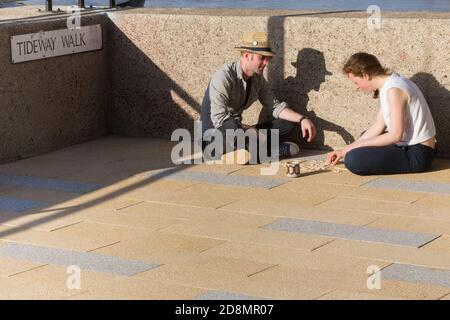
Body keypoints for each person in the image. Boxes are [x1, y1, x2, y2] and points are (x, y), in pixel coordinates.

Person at [200, 32, 317, 164]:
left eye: (268, 59)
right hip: (215, 136)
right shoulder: (223, 77)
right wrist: (249, 129)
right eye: (262, 58)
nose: (266, 63)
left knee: (287, 125)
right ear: (247, 56)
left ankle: (244, 153)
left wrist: (302, 119)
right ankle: (269, 152)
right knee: (234, 127)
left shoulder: (257, 79)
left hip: (240, 132)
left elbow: (275, 107)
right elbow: (219, 119)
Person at [327, 52, 436, 175]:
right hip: (406, 145)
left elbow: (395, 135)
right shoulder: (389, 84)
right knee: (363, 140)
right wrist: (345, 150)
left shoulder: (395, 89)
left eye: (356, 82)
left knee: (353, 159)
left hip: (417, 154)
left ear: (366, 75)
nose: (356, 87)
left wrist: (355, 148)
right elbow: (378, 126)